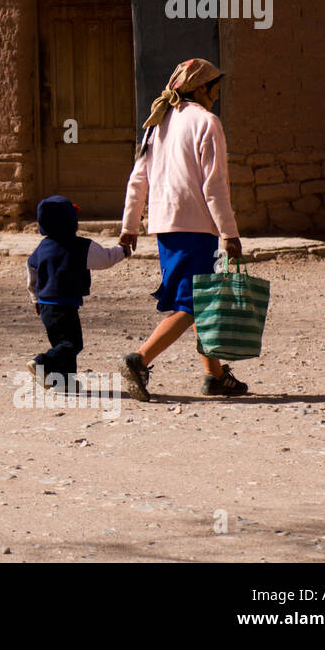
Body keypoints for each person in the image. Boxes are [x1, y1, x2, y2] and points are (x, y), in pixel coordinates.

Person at [118, 58, 248, 401]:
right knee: (190, 305)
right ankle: (139, 359)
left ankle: (215, 375)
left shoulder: (157, 123)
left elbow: (137, 179)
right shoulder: (207, 122)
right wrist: (229, 232)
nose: (217, 96)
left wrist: (130, 226)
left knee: (201, 301)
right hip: (196, 226)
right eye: (215, 89)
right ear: (201, 88)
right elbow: (214, 187)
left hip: (165, 226)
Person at [26, 195, 128, 390]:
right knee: (72, 344)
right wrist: (122, 250)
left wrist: (35, 300)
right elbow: (105, 259)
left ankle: (65, 383)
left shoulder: (42, 247)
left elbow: (31, 272)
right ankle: (42, 362)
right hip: (64, 305)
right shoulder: (81, 246)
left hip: (46, 306)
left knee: (62, 344)